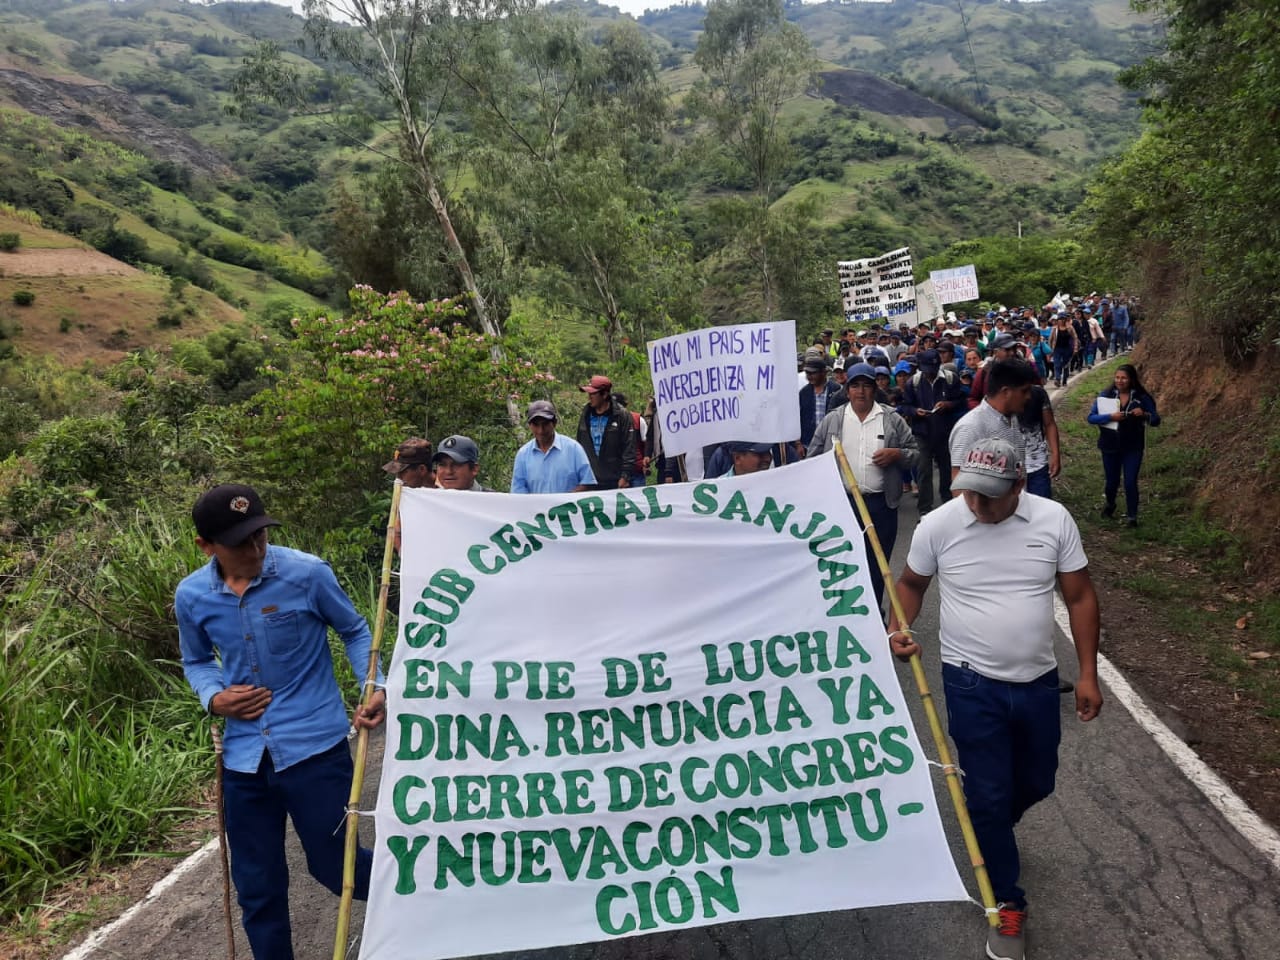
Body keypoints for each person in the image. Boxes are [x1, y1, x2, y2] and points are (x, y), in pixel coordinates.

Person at [889, 438, 1102, 960]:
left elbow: (1079, 596)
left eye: (990, 495)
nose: (978, 505)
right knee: (986, 796)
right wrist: (897, 628)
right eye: (971, 492)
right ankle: (1007, 902)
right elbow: (911, 584)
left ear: (1019, 485)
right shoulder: (939, 525)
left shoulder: (1053, 520)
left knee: (1037, 781)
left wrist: (1088, 673)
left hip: (1038, 682)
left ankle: (992, 825)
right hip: (970, 684)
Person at [175, 484, 387, 960]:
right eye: (239, 543)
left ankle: (424, 903)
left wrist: (375, 685)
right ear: (206, 546)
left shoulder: (307, 574)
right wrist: (215, 698)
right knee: (258, 887)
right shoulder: (192, 596)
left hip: (315, 750)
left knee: (337, 867)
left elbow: (354, 630)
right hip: (244, 761)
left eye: (260, 536)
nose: (255, 550)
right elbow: (197, 661)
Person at [808, 363, 918, 614]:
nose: (861, 391)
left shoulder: (891, 419)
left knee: (878, 566)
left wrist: (897, 454)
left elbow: (915, 454)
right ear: (847, 390)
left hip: (881, 505)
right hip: (843, 506)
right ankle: (849, 617)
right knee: (843, 564)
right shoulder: (834, 419)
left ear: (875, 389)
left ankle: (875, 616)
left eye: (866, 385)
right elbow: (813, 457)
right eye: (855, 386)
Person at [1087, 363, 1161, 527]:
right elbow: (1091, 418)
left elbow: (1156, 420)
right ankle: (1110, 504)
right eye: (1117, 377)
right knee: (1111, 482)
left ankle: (1132, 517)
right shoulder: (1106, 395)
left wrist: (1144, 414)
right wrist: (1109, 417)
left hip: (1133, 446)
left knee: (1130, 481)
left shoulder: (1142, 397)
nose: (1120, 381)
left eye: (1124, 378)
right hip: (1109, 445)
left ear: (1131, 379)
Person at [949, 359, 1036, 484]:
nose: (1028, 397)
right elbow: (959, 483)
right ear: (1006, 392)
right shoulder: (970, 428)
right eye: (1024, 391)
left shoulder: (1012, 418)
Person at [898, 349, 963, 515]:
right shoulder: (913, 382)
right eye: (927, 371)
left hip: (945, 432)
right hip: (922, 433)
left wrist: (948, 405)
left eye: (932, 370)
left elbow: (960, 401)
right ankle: (925, 509)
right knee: (924, 471)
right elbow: (905, 405)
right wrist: (915, 411)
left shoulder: (950, 379)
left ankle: (948, 503)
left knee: (946, 469)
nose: (930, 374)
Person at [511, 400, 596, 494]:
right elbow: (518, 490)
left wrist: (565, 501)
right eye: (536, 425)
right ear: (529, 426)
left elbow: (587, 483)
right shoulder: (523, 455)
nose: (541, 430)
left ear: (554, 423)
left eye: (545, 424)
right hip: (535, 505)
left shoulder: (574, 449)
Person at [575, 374, 637, 489]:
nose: (589, 397)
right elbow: (579, 442)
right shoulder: (586, 414)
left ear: (604, 394)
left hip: (615, 480)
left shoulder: (621, 415)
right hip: (591, 479)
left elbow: (629, 447)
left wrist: (625, 476)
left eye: (593, 394)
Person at [382, 437, 435, 553]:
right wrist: (403, 554)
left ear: (422, 469)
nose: (398, 478)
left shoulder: (447, 493)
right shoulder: (406, 495)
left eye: (403, 472)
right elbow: (396, 532)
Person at [796, 355, 845, 458]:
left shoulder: (836, 390)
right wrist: (798, 443)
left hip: (833, 442)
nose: (809, 376)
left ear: (823, 372)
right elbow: (797, 418)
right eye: (807, 373)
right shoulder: (804, 393)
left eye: (813, 373)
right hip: (809, 444)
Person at [1018, 382, 1061, 499]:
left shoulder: (1038, 393)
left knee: (1041, 504)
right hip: (1010, 469)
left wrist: (1055, 454)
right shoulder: (997, 398)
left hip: (1038, 464)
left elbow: (1049, 424)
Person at [1048, 315, 1077, 388]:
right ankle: (1057, 379)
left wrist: (1075, 348)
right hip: (1057, 349)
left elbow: (1075, 338)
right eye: (1059, 319)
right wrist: (1050, 349)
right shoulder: (1054, 329)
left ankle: (1064, 380)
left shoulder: (1070, 328)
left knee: (1066, 365)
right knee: (1057, 364)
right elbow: (1050, 339)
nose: (1061, 321)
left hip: (1067, 349)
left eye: (1062, 319)